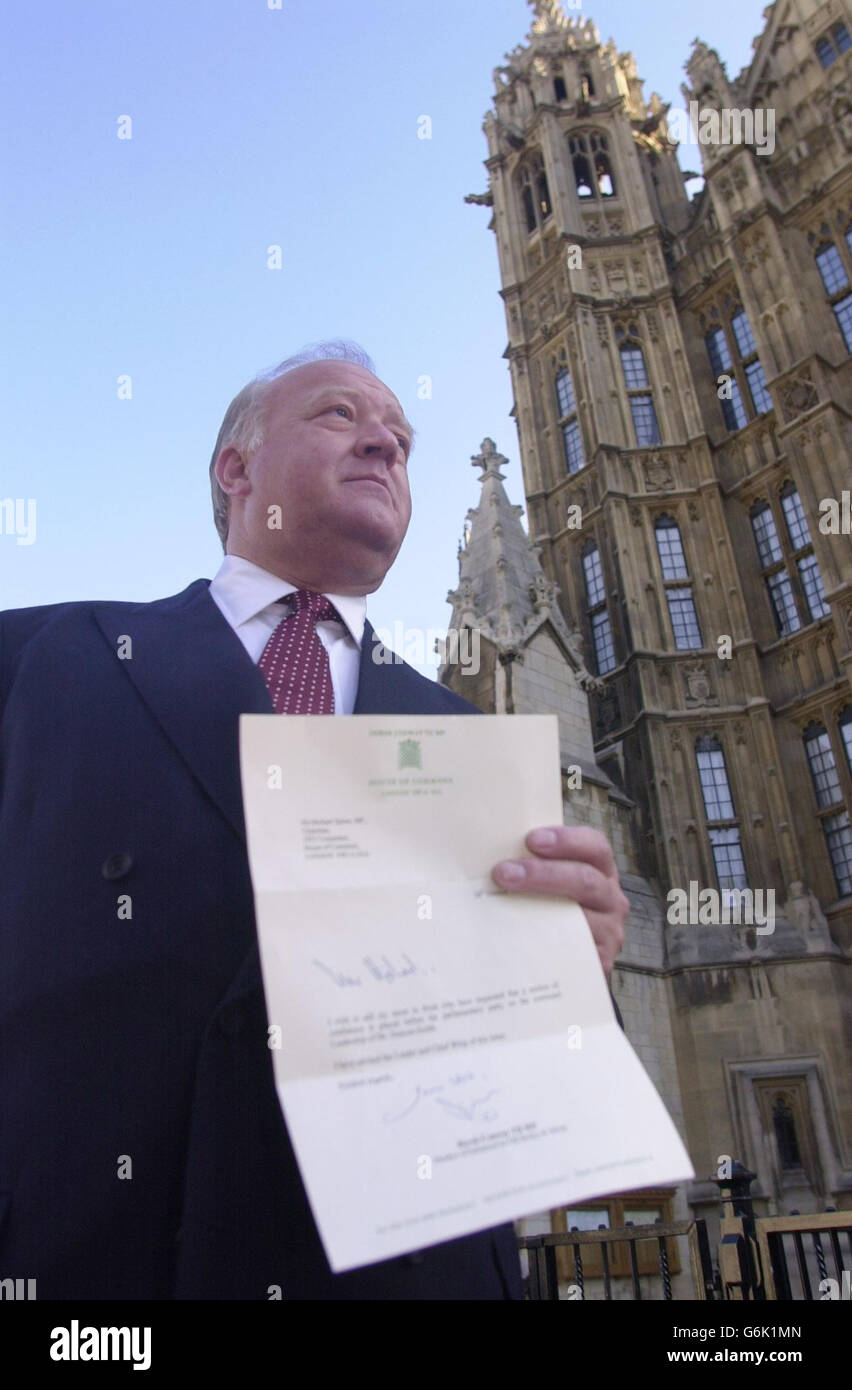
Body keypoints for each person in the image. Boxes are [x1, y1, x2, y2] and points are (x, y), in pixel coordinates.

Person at [0, 341, 628, 1300]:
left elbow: (532, 1081)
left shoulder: (468, 737)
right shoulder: (45, 658)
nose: (384, 441)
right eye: (341, 414)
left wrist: (578, 970)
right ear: (236, 469)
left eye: (403, 439)